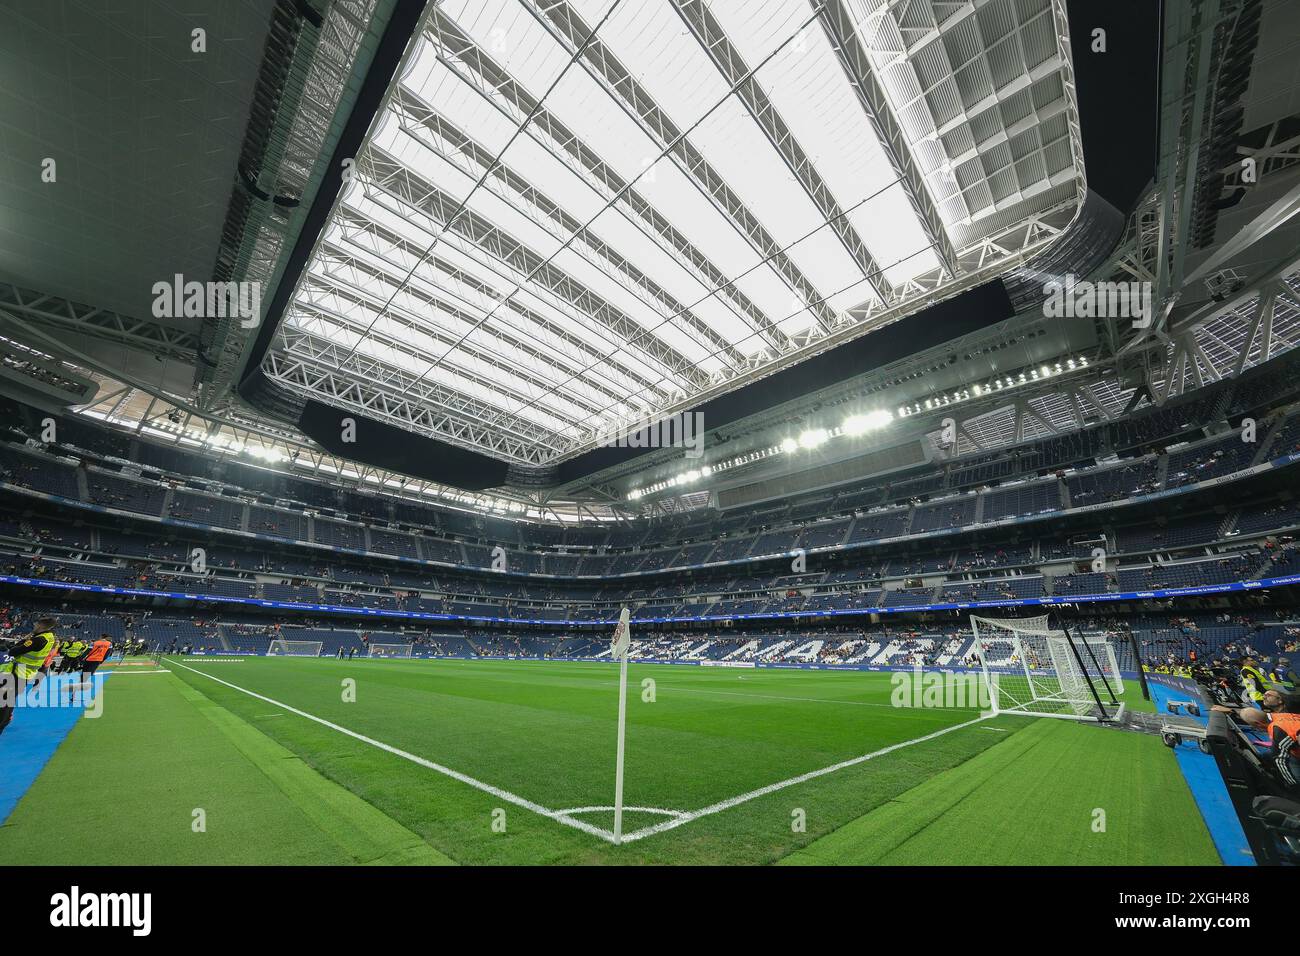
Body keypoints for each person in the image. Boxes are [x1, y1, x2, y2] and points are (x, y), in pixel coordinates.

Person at [0, 618, 58, 737]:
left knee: (5, 700)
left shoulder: (38, 639)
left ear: (41, 625)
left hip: (19, 672)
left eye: (35, 624)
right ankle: (6, 718)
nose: (34, 626)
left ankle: (3, 722)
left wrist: (25, 640)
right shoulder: (50, 637)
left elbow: (13, 651)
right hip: (26, 672)